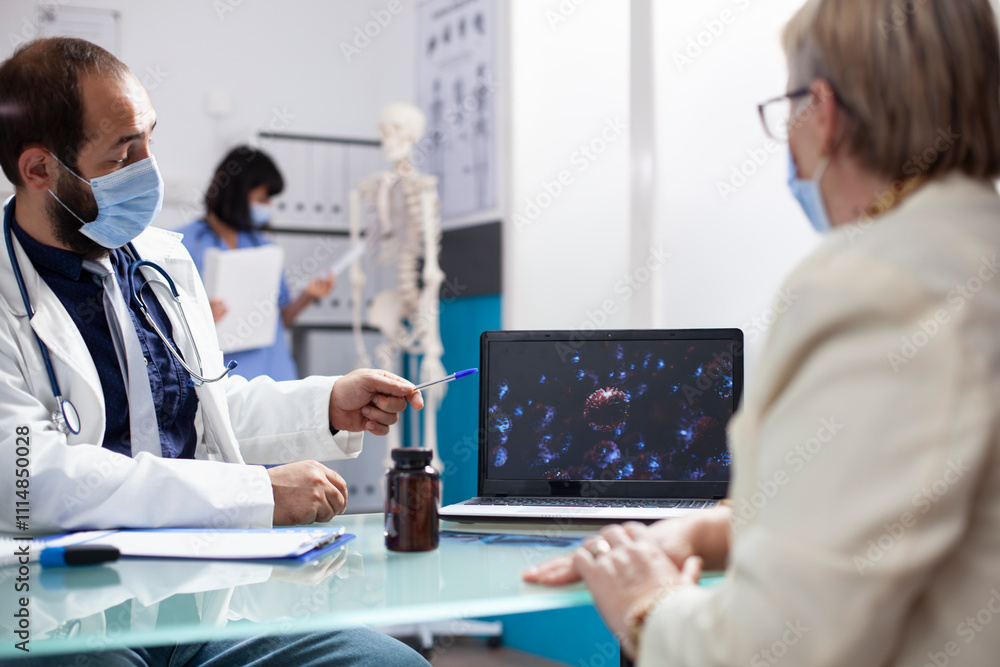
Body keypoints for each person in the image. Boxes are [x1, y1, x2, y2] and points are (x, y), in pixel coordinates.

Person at [524, 0, 1000, 665]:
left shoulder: (871, 288)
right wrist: (718, 529)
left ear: (822, 113)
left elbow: (772, 649)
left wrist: (646, 605)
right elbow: (905, 510)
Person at [0, 38, 427, 665]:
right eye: (124, 153)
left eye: (149, 138)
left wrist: (328, 404)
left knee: (389, 662)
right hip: (60, 610)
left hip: (196, 599)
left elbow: (208, 406)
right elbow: (30, 479)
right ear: (39, 170)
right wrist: (257, 496)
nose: (150, 166)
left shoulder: (162, 262)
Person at [178, 146, 333, 381]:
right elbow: (163, 323)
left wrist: (307, 297)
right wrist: (199, 315)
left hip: (274, 373)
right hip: (220, 377)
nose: (268, 208)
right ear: (237, 193)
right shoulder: (180, 245)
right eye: (263, 199)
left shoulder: (264, 248)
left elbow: (280, 319)